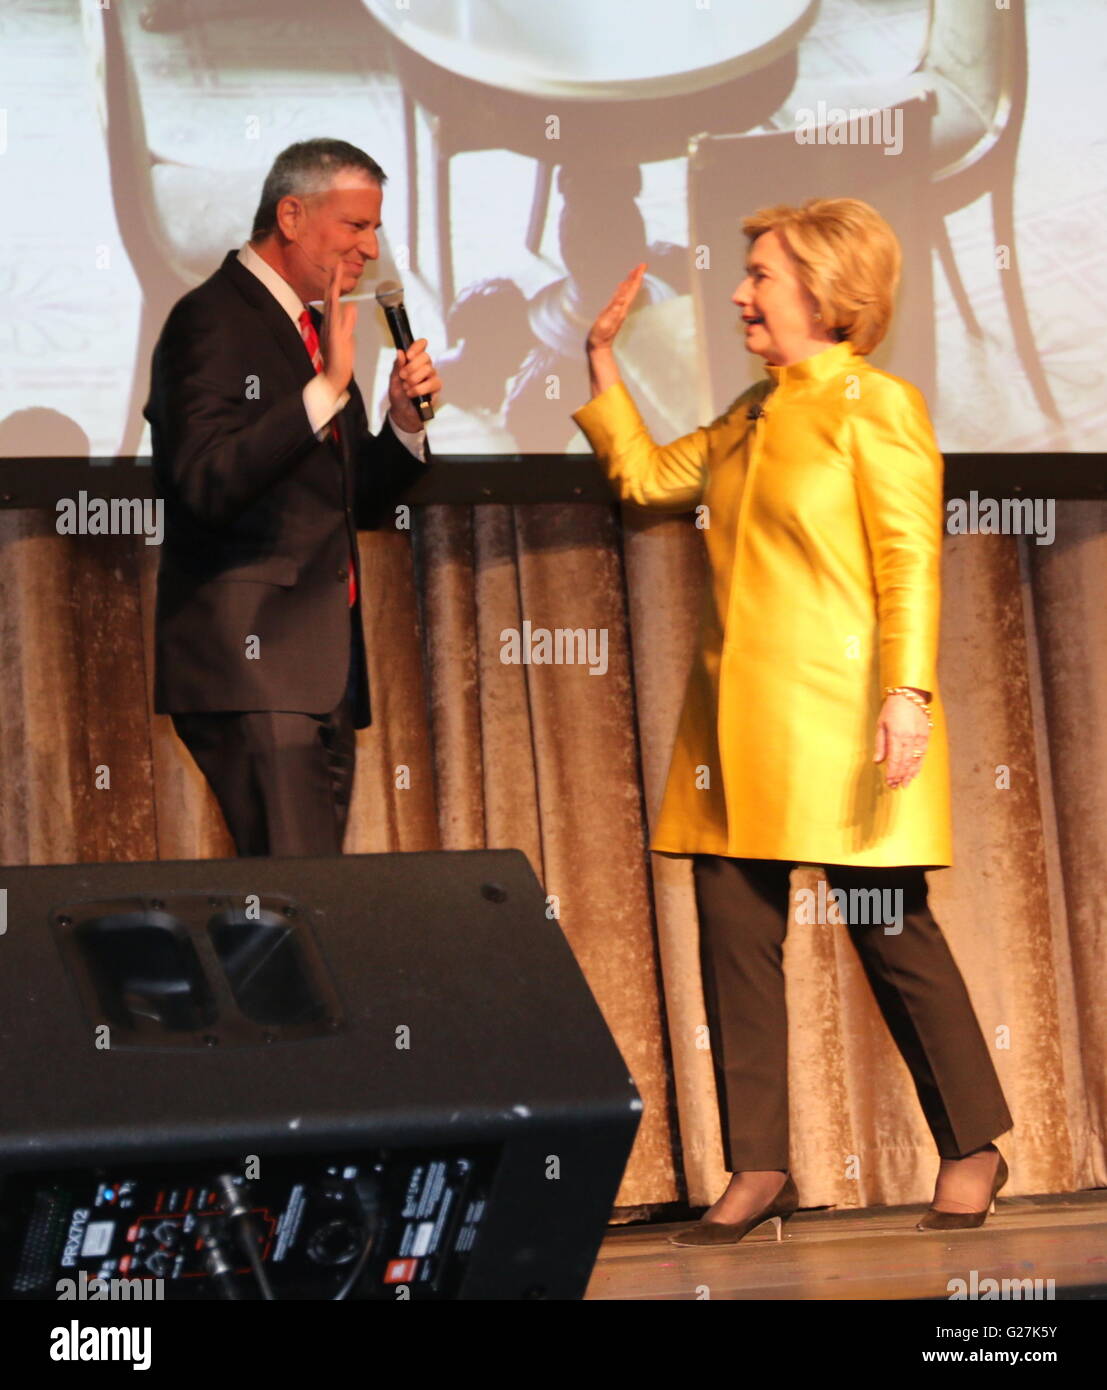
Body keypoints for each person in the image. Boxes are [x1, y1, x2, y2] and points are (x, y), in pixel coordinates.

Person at [573, 198, 1012, 1244]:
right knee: (734, 937)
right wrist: (601, 364)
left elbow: (909, 560)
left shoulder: (877, 405)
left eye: (761, 275)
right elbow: (644, 479)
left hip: (846, 715)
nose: (739, 293)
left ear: (824, 289)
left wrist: (908, 694)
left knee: (890, 931)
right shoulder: (753, 411)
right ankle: (759, 1163)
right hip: (735, 724)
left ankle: (973, 1145)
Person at [144, 139, 441, 857]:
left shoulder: (311, 328)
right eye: (356, 226)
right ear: (292, 214)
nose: (371, 248)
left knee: (305, 906)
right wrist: (319, 393)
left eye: (375, 228)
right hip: (252, 663)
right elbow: (203, 482)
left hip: (317, 673)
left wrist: (400, 420)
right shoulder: (210, 318)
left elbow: (354, 502)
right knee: (295, 907)